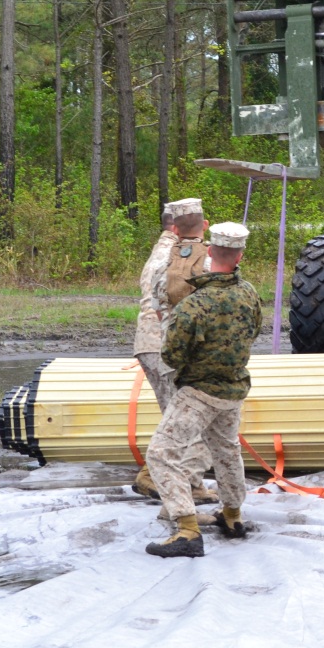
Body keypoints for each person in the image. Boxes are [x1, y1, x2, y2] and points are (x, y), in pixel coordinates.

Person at [145, 221, 263, 559]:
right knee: (226, 452)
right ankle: (232, 516)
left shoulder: (193, 306)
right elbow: (253, 331)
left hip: (198, 393)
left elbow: (171, 355)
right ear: (240, 254)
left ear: (210, 251)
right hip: (233, 390)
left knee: (161, 454)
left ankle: (187, 529)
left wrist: (164, 321)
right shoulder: (249, 293)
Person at [131, 198, 211, 501]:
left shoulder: (160, 250)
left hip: (150, 344)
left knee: (176, 416)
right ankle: (158, 478)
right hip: (170, 344)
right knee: (188, 420)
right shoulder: (183, 256)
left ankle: (190, 484)